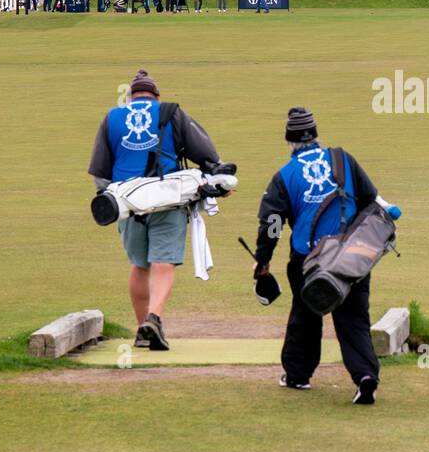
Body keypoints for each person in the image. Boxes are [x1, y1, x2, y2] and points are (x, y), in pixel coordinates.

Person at [252, 107, 393, 403]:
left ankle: (297, 375)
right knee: (353, 317)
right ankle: (365, 376)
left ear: (289, 139)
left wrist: (263, 261)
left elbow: (272, 225)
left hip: (308, 260)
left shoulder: (284, 176)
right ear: (315, 135)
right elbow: (371, 200)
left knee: (305, 315)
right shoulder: (343, 159)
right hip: (352, 256)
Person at [88, 69, 226, 351]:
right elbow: (206, 154)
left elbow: (100, 174)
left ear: (130, 97)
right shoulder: (171, 112)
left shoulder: (112, 117)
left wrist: (114, 198)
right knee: (163, 262)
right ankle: (155, 318)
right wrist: (219, 178)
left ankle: (142, 329)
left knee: (139, 266)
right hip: (168, 199)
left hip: (128, 203)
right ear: (155, 96)